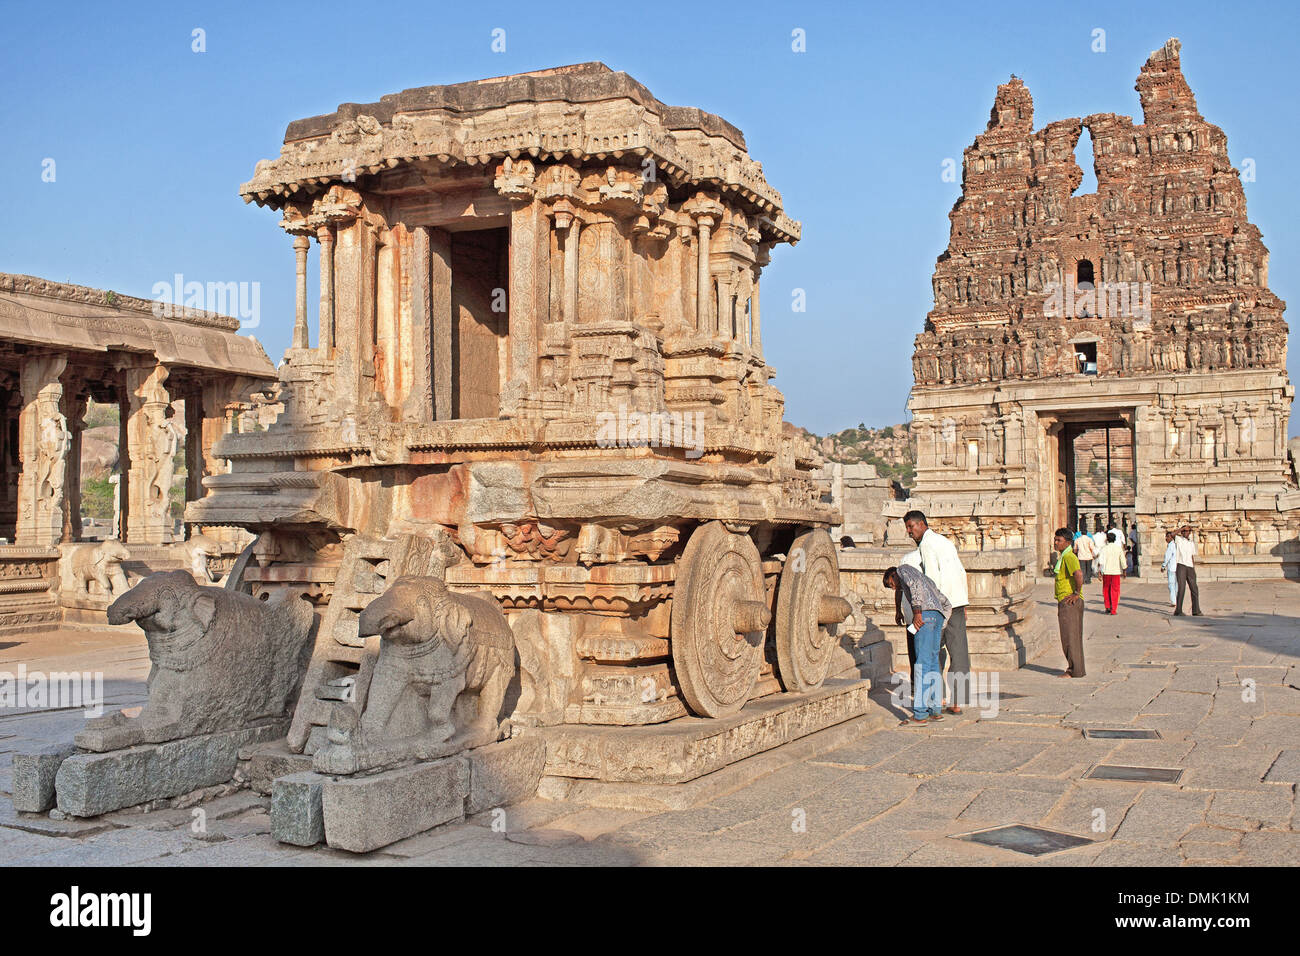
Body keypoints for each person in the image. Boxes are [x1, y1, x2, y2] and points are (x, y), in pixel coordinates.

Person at [903, 510, 972, 715]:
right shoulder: (945, 542)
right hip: (957, 602)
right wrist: (964, 603)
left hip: (940, 606)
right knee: (959, 653)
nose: (909, 532)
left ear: (922, 524)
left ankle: (938, 698)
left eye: (911, 527)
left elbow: (931, 580)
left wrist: (925, 612)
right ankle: (958, 701)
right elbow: (961, 572)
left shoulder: (927, 544)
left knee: (933, 651)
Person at [883, 563, 951, 725]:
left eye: (891, 584)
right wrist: (943, 620)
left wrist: (917, 613)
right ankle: (935, 710)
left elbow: (914, 586)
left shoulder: (903, 570)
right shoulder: (924, 578)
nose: (894, 588)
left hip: (925, 616)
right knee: (933, 662)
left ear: (893, 575)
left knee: (921, 664)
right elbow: (944, 600)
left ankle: (920, 713)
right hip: (937, 615)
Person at [1053, 527, 1086, 677]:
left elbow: (1078, 574)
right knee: (1072, 637)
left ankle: (1073, 670)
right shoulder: (1064, 556)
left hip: (1069, 602)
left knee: (1069, 638)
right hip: (1066, 600)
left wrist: (1076, 593)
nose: (1056, 542)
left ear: (1067, 542)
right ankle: (1076, 669)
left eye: (1059, 540)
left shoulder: (1069, 557)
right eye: (1055, 539)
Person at [1173, 524, 1203, 616]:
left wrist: (1193, 568)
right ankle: (1178, 610)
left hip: (1190, 566)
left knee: (1194, 589)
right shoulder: (1179, 540)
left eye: (1188, 531)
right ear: (1182, 532)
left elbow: (1191, 556)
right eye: (1185, 531)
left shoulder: (1191, 543)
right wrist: (1182, 528)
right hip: (1181, 565)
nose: (1187, 533)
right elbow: (1172, 534)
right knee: (1181, 588)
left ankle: (1196, 610)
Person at [1098, 529, 1125, 615]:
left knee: (1106, 589)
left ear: (1107, 539)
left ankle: (1107, 607)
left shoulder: (1104, 549)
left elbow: (1101, 562)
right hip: (1116, 572)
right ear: (1115, 539)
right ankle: (1113, 609)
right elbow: (1123, 560)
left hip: (1106, 572)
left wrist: (1099, 572)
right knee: (1115, 590)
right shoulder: (1118, 548)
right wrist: (1124, 570)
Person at [1160, 530, 1178, 607]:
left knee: (1171, 585)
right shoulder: (1176, 545)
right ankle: (1177, 599)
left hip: (1171, 568)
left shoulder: (1171, 546)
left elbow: (1167, 557)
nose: (1166, 538)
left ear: (1171, 537)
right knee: (1176, 585)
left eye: (1167, 536)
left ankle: (1174, 601)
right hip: (1177, 567)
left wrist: (1163, 566)